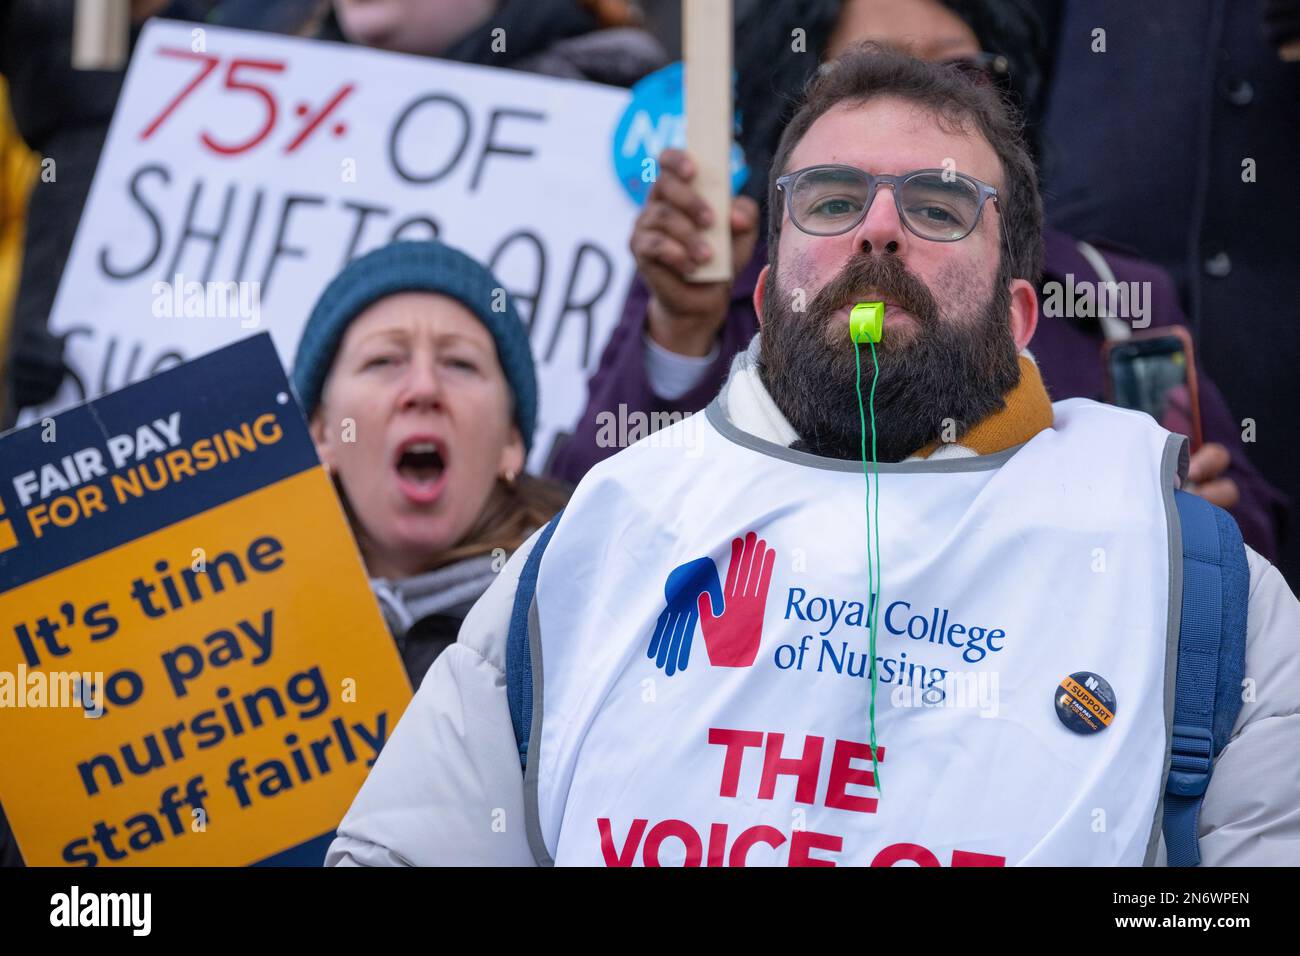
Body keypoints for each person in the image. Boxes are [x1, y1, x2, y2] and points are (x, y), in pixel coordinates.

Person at [326, 50, 1300, 867]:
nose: (878, 226)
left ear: (1019, 318)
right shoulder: (606, 530)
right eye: (831, 201)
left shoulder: (1196, 582)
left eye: (939, 205)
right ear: (763, 297)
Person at [545, 0, 1289, 562]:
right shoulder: (717, 284)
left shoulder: (1109, 294)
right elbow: (591, 541)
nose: (923, 105)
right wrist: (680, 332)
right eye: (873, 74)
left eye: (961, 72)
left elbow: (1255, 552)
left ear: (1021, 313)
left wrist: (1207, 524)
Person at [293, 240, 568, 687]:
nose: (423, 387)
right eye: (383, 360)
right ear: (322, 434)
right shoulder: (241, 629)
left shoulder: (577, 622)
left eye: (459, 363)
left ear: (510, 443)